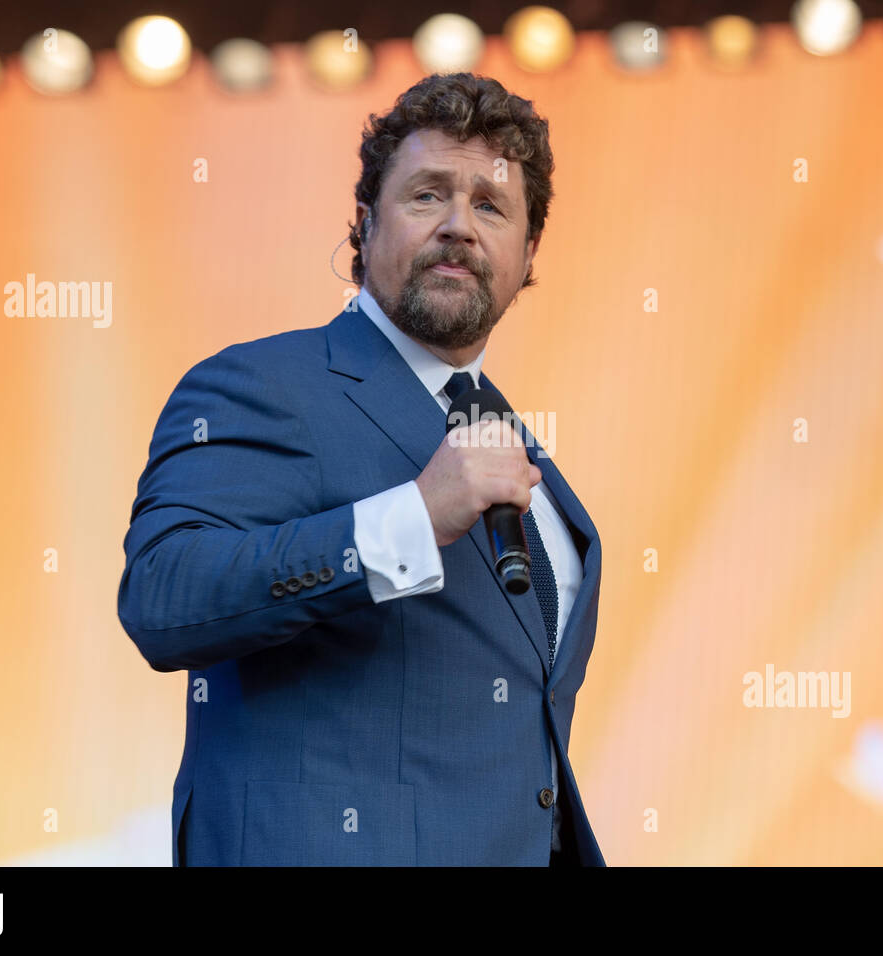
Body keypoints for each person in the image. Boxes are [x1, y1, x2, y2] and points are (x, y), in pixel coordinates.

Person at [118, 72, 604, 866]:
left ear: (529, 253)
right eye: (427, 196)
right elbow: (165, 597)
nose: (459, 226)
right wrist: (410, 519)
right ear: (364, 223)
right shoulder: (264, 385)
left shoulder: (507, 440)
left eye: (491, 205)